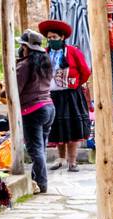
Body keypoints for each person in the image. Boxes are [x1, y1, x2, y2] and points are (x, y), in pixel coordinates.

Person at [38, 18, 91, 173]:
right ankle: (60, 158)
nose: (51, 40)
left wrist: (74, 85)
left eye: (54, 37)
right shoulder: (44, 54)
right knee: (57, 128)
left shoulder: (73, 52)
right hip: (52, 95)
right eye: (49, 38)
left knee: (72, 128)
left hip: (70, 96)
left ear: (62, 37)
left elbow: (85, 72)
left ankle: (72, 161)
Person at [16, 29, 55, 194]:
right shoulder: (46, 62)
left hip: (33, 110)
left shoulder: (24, 65)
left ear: (26, 47)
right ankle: (35, 180)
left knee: (35, 149)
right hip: (48, 108)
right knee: (41, 148)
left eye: (22, 46)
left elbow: (15, 89)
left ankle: (42, 183)